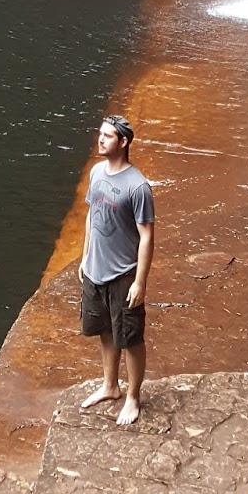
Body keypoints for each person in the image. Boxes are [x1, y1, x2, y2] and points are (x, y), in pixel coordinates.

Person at [78, 114, 154, 427]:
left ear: (123, 142)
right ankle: (110, 386)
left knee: (130, 337)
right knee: (105, 330)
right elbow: (90, 215)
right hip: (95, 270)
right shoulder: (96, 172)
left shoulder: (138, 187)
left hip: (123, 273)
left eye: (108, 136)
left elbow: (147, 235)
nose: (101, 140)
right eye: (101, 134)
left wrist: (140, 282)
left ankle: (133, 397)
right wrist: (84, 256)